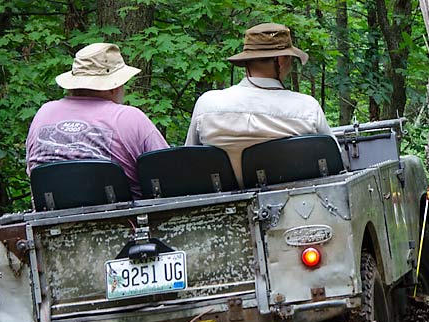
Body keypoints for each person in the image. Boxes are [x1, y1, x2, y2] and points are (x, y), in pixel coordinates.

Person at [185, 22, 336, 186]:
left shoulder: (207, 104)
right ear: (281, 60)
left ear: (247, 61)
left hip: (222, 207)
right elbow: (335, 162)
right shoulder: (307, 108)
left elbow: (192, 160)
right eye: (290, 59)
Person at [26, 42, 168, 198]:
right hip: (125, 220)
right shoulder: (130, 119)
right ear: (114, 86)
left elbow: (33, 174)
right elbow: (168, 176)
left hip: (48, 219)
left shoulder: (44, 115)